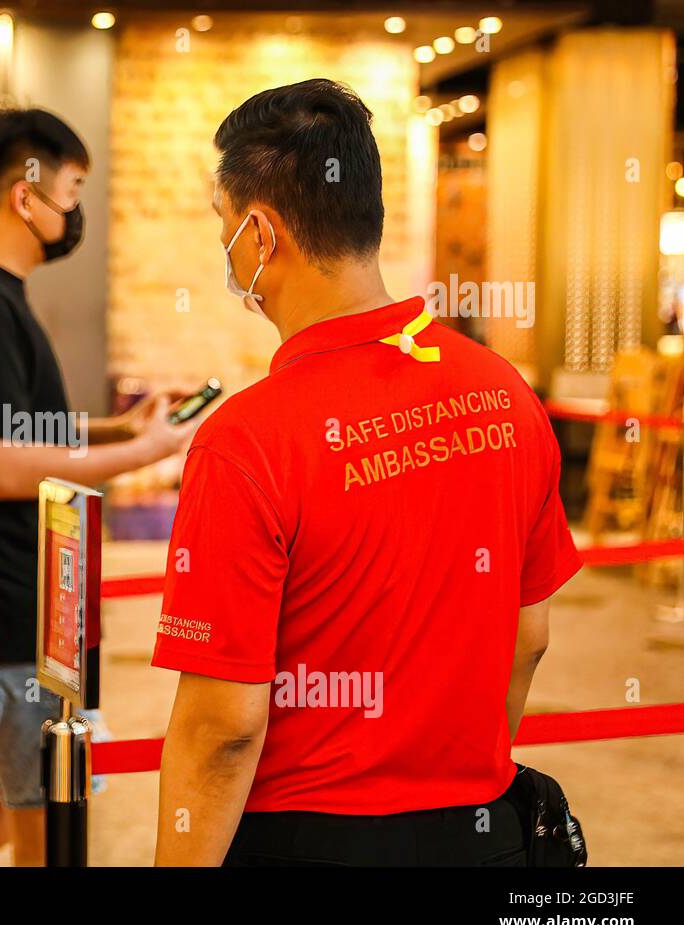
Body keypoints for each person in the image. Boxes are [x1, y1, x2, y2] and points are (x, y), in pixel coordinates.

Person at [151, 79, 582, 866]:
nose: (224, 247)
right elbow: (530, 637)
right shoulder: (505, 394)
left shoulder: (246, 443)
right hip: (484, 838)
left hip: (308, 843)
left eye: (222, 224)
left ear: (260, 233)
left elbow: (222, 728)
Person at [0, 107, 199, 867]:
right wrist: (143, 458)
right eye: (71, 191)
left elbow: (19, 429)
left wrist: (123, 429)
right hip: (10, 617)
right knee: (45, 841)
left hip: (0, 615)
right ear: (25, 195)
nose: (75, 213)